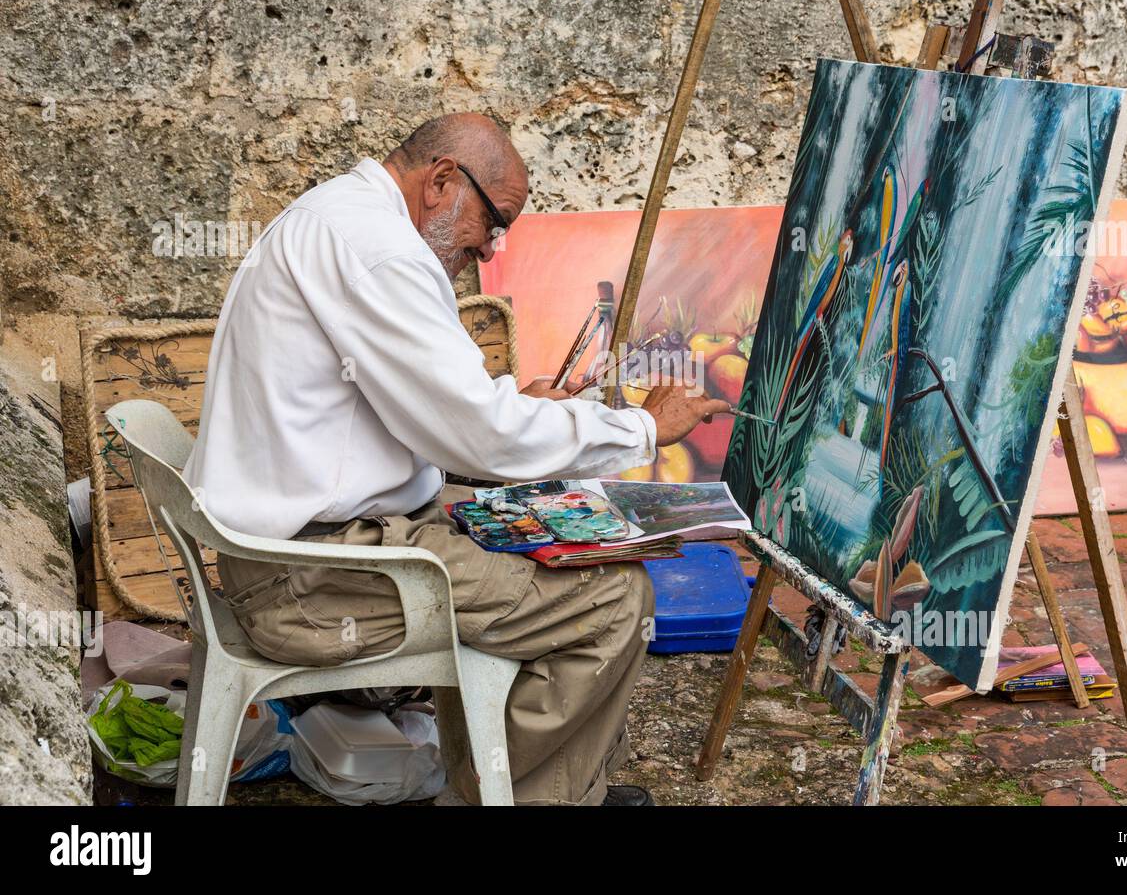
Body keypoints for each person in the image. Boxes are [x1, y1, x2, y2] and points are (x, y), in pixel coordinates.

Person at [184, 112, 728, 806]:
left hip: (302, 550)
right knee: (615, 599)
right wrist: (641, 430)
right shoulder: (379, 250)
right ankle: (507, 796)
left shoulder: (340, 215)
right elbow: (480, 434)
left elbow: (435, 407)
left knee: (567, 549)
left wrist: (515, 404)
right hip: (312, 578)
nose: (492, 249)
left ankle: (517, 785)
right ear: (442, 180)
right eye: (494, 221)